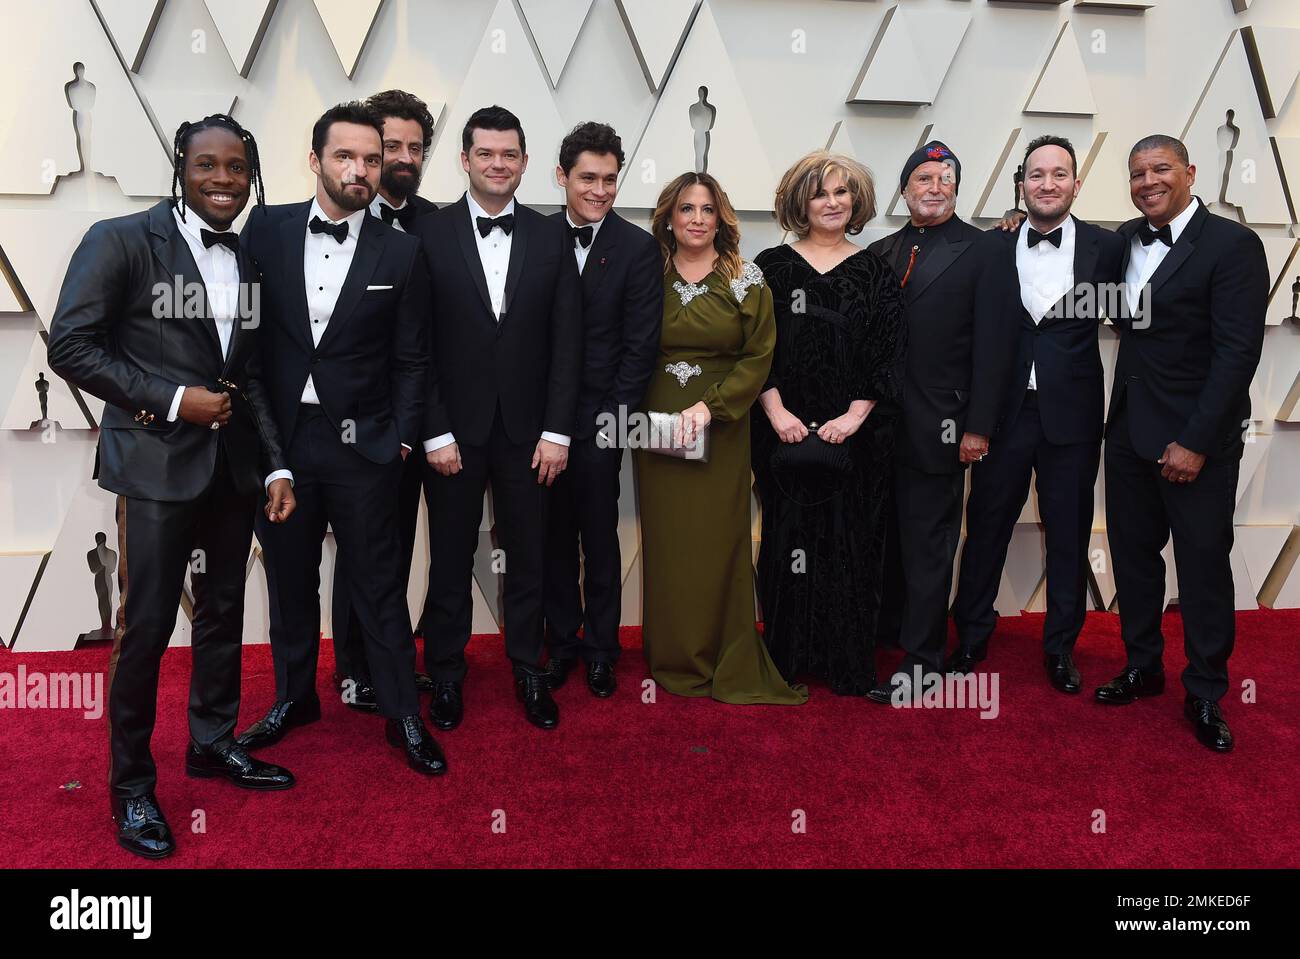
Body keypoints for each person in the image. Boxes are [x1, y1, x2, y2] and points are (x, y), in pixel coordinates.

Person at [48, 114, 298, 859]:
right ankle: (131, 788)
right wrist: (170, 396)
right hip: (154, 466)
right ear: (180, 168)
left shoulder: (248, 263)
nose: (223, 181)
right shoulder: (121, 240)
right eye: (207, 166)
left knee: (222, 612)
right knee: (148, 628)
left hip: (232, 470)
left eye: (237, 169)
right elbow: (72, 346)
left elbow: (246, 374)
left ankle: (212, 743)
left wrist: (277, 462)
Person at [236, 102, 445, 775]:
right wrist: (266, 452)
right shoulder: (262, 232)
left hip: (367, 449)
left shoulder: (403, 250)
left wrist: (404, 441)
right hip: (285, 447)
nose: (360, 169)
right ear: (316, 158)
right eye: (346, 156)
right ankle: (295, 699)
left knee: (379, 587)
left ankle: (401, 715)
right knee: (290, 582)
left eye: (372, 158)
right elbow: (249, 348)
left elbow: (413, 358)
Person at [413, 105, 583, 731]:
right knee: (451, 559)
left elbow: (569, 342)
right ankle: (448, 675)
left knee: (529, 558)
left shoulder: (550, 237)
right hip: (451, 436)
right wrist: (433, 430)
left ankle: (528, 670)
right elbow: (416, 345)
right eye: (485, 154)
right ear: (464, 160)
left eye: (509, 154)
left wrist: (558, 430)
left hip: (530, 437)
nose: (497, 164)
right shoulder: (428, 236)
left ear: (525, 163)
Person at [1096, 134, 1267, 752]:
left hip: (1197, 441)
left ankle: (1205, 691)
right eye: (1137, 172)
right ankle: (1143, 666)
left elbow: (1237, 353)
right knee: (1134, 561)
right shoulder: (1122, 240)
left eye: (1160, 169)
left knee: (1200, 570)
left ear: (1190, 172)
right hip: (1128, 435)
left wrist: (1194, 441)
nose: (1147, 181)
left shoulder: (1233, 245)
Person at [949, 135, 1126, 693]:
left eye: (1059, 174)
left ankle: (1060, 648)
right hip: (1002, 414)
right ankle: (972, 634)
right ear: (1020, 185)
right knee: (985, 529)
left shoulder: (1107, 246)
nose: (1047, 184)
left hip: (1071, 417)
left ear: (1076, 183)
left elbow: (1134, 313)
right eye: (1036, 175)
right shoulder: (992, 245)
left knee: (1069, 536)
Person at [637, 171, 807, 705]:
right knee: (668, 544)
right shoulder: (648, 273)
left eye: (707, 210)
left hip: (722, 428)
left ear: (721, 218)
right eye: (686, 209)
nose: (696, 220)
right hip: (658, 425)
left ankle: (724, 653)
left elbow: (759, 356)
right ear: (669, 216)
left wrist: (709, 410)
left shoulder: (745, 278)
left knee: (719, 541)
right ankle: (674, 656)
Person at [865, 142, 1016, 703]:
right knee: (888, 542)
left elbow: (997, 344)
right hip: (879, 427)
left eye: (945, 178)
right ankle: (888, 635)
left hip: (944, 426)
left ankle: (923, 663)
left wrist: (979, 427)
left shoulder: (985, 250)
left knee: (930, 546)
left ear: (957, 188)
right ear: (904, 190)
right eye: (923, 177)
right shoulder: (881, 251)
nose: (934, 186)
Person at [751, 152, 905, 696]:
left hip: (857, 438)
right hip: (782, 430)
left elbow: (889, 352)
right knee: (784, 542)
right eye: (820, 193)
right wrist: (775, 411)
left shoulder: (875, 271)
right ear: (800, 202)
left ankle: (847, 665)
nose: (832, 203)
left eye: (842, 193)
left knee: (853, 544)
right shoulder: (768, 266)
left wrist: (855, 416)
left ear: (856, 201)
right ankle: (785, 660)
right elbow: (751, 348)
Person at [541, 122, 662, 698]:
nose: (599, 190)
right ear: (562, 176)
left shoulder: (638, 248)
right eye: (587, 178)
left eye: (610, 180)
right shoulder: (533, 237)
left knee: (600, 538)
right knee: (551, 538)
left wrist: (609, 424)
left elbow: (640, 348)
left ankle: (601, 649)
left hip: (601, 424)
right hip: (539, 424)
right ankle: (561, 644)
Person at [329, 88, 439, 711]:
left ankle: (397, 661)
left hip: (437, 420)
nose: (401, 157)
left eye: (413, 147)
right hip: (368, 427)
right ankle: (355, 671)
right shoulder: (348, 217)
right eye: (389, 146)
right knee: (366, 551)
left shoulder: (442, 223)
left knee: (410, 550)